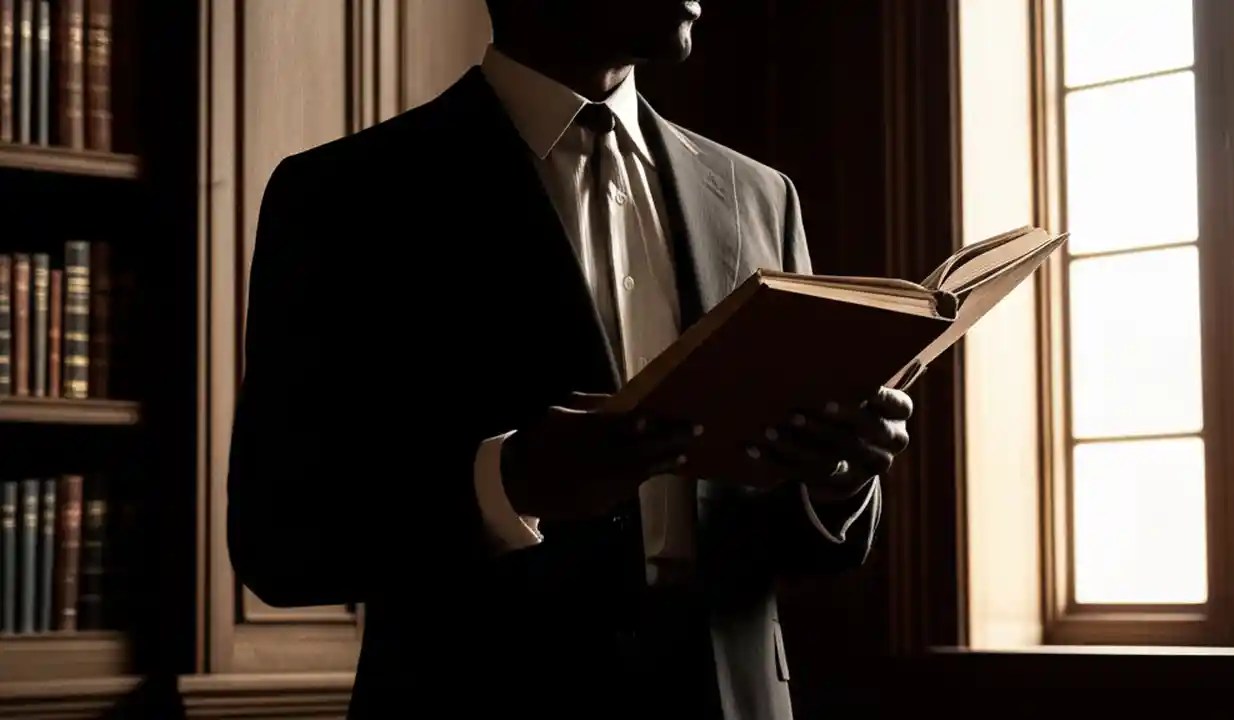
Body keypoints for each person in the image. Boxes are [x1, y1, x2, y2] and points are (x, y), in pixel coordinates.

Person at [226, 0, 913, 718]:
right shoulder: (347, 198)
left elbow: (785, 542)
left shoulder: (761, 195)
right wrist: (508, 484)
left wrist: (837, 477)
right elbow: (281, 538)